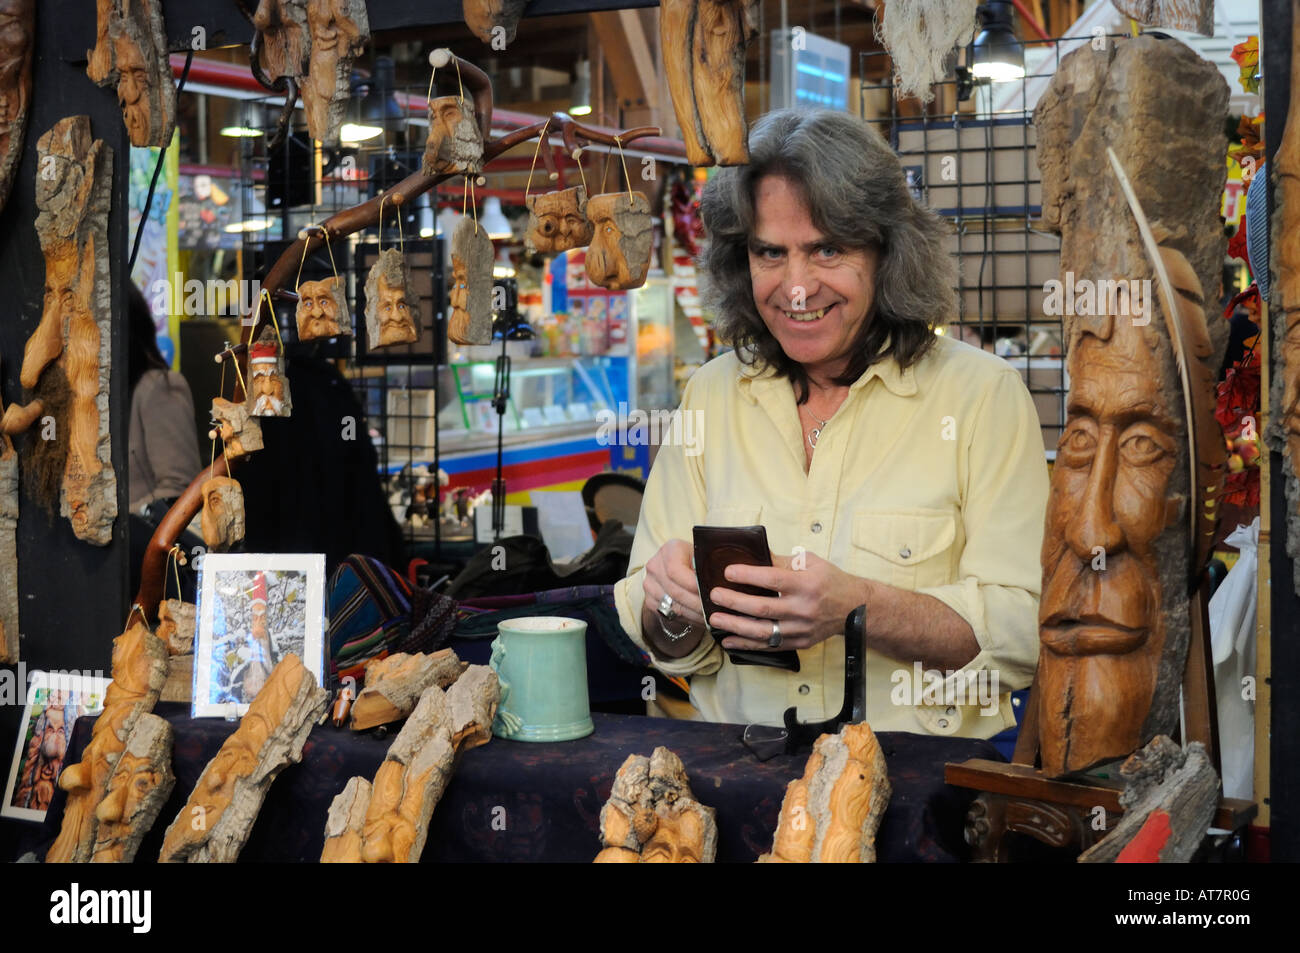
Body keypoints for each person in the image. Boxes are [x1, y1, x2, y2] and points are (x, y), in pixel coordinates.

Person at [613, 109, 1049, 738]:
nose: (796, 288)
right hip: (735, 792)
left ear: (888, 252)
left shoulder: (981, 396)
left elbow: (1026, 630)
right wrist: (668, 605)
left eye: (827, 249)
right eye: (770, 252)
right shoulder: (712, 395)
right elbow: (669, 646)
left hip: (921, 799)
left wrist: (858, 609)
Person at [127, 284, 202, 599]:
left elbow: (179, 489)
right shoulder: (99, 399)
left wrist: (124, 520)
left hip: (148, 570)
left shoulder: (158, 387)